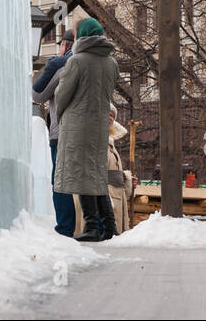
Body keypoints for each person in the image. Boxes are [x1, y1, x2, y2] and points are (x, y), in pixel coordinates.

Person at [54, 17, 121, 242]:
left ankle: (92, 226)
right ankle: (109, 226)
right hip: (99, 126)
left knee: (83, 176)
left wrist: (62, 112)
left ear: (81, 36)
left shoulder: (77, 61)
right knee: (96, 175)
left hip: (78, 125)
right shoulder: (111, 63)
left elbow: (62, 95)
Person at [32, 29, 76, 237]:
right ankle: (98, 226)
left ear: (65, 45)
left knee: (59, 179)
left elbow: (38, 94)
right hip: (89, 131)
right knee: (87, 178)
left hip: (62, 131)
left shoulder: (61, 63)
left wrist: (47, 68)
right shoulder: (98, 60)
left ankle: (65, 229)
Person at [107, 104, 134, 234]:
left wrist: (126, 179)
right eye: (106, 113)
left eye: (112, 115)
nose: (109, 117)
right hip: (106, 201)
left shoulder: (111, 144)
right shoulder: (96, 142)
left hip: (116, 198)